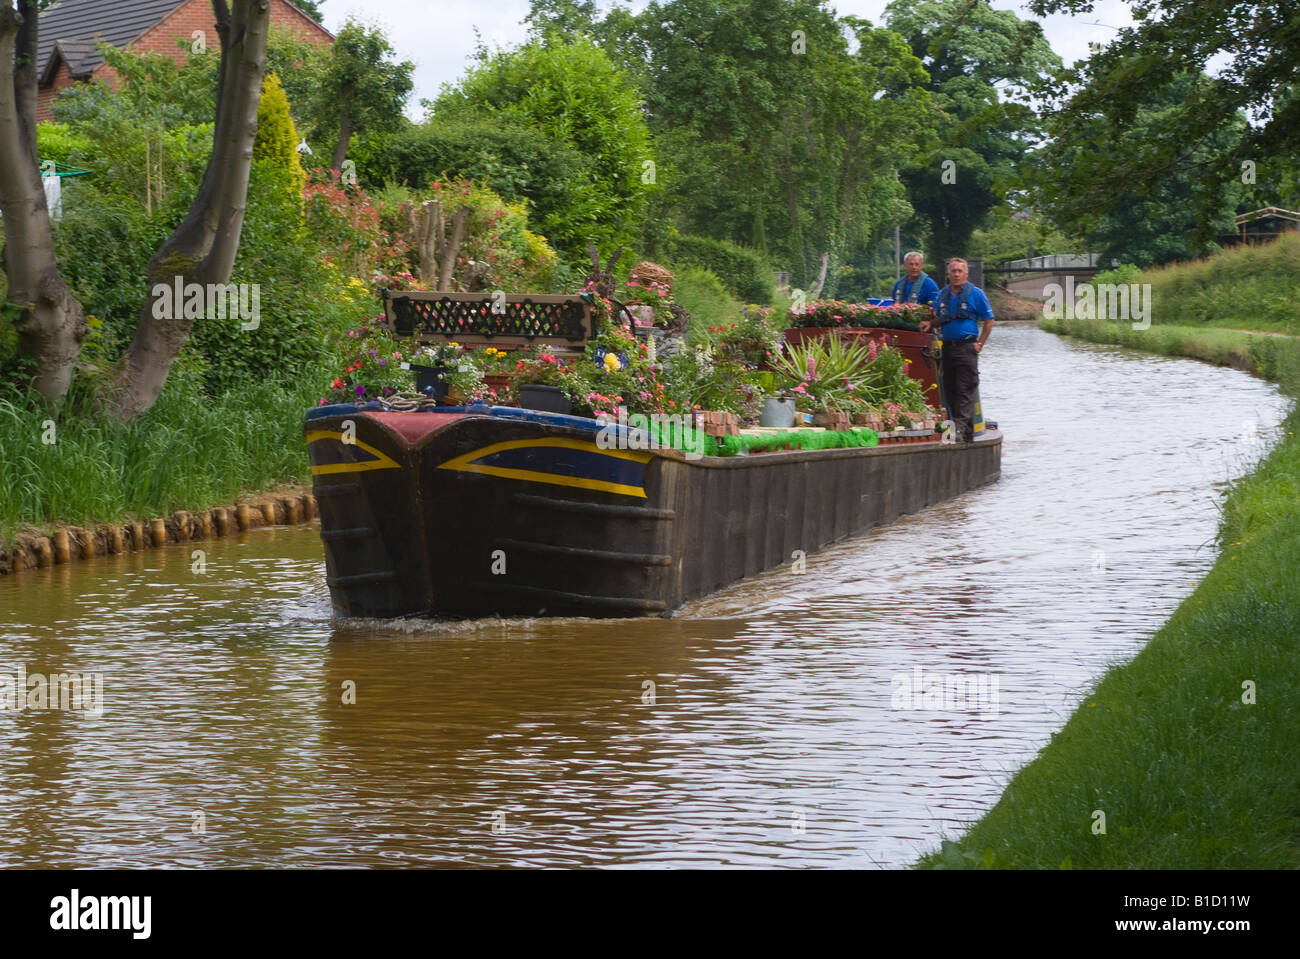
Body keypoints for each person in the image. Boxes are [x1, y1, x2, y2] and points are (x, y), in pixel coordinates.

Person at [919, 258, 994, 443]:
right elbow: (943, 319)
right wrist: (930, 323)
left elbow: (989, 320)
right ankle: (967, 432)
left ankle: (958, 431)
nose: (956, 274)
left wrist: (980, 343)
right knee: (951, 389)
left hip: (967, 348)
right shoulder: (942, 295)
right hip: (947, 348)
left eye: (960, 271)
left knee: (964, 389)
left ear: (966, 274)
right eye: (953, 271)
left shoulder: (976, 294)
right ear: (948, 274)